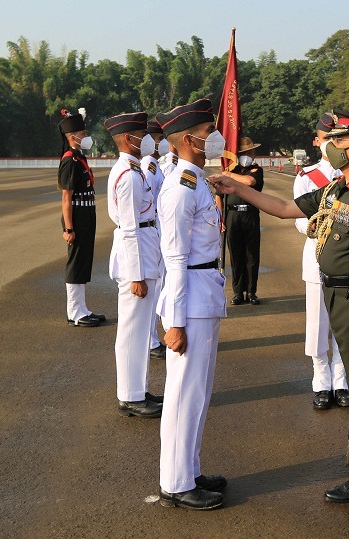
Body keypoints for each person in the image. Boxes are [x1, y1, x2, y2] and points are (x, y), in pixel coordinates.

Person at [209, 110, 349, 503]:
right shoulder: (339, 188)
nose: (328, 145)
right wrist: (237, 189)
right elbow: (286, 208)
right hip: (336, 294)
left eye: (337, 141)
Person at [155, 98, 228, 510]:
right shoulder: (181, 187)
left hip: (205, 289)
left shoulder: (197, 179)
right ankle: (177, 482)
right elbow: (176, 258)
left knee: (197, 392)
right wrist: (175, 320)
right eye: (207, 132)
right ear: (188, 139)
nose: (214, 138)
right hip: (191, 296)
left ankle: (190, 469)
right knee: (184, 393)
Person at [103, 112, 165, 419]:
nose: (150, 139)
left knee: (141, 330)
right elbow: (128, 227)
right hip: (135, 256)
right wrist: (136, 275)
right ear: (130, 139)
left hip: (144, 247)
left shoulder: (134, 169)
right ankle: (129, 395)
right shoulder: (128, 175)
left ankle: (138, 389)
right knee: (131, 330)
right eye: (144, 134)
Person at [293, 112, 349, 409]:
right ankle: (320, 380)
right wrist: (312, 226)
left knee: (343, 320)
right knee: (317, 322)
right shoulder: (307, 177)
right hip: (316, 255)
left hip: (347, 257)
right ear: (317, 142)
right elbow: (297, 217)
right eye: (328, 139)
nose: (333, 144)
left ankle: (341, 381)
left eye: (338, 139)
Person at [56, 108, 104, 328]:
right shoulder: (69, 161)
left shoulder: (79, 157)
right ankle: (74, 312)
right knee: (76, 263)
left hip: (86, 215)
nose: (86, 137)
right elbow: (66, 197)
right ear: (72, 136)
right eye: (83, 134)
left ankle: (82, 308)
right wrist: (68, 228)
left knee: (84, 262)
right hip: (76, 216)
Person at [224, 136, 265, 306]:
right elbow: (220, 196)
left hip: (250, 215)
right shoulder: (231, 169)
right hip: (232, 216)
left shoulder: (255, 170)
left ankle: (251, 291)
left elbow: (249, 182)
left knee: (251, 256)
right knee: (236, 256)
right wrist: (221, 217)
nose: (249, 155)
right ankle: (237, 292)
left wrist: (228, 175)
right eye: (245, 152)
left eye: (251, 152)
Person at [145, 119, 168, 361]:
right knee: (156, 288)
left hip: (157, 230)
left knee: (159, 287)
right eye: (158, 139)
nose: (161, 143)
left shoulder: (153, 164)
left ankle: (152, 337)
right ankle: (151, 340)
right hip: (154, 231)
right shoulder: (149, 166)